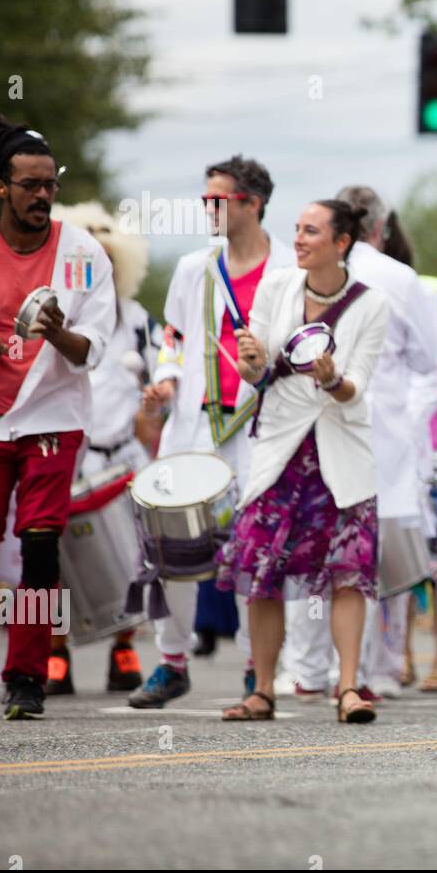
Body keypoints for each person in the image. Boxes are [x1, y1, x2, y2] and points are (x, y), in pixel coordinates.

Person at [215, 199, 388, 723]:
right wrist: (250, 362)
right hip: (280, 448)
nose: (299, 238)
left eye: (311, 231)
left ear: (341, 243)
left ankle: (350, 688)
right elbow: (259, 370)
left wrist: (332, 377)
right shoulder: (277, 287)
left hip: (339, 449)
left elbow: (356, 389)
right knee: (263, 568)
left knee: (348, 571)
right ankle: (262, 689)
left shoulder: (371, 303)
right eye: (296, 229)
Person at [0, 111, 116, 719]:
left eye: (50, 184)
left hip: (52, 422)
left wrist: (58, 334)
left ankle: (26, 677)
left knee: (40, 546)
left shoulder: (80, 254)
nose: (42, 195)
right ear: (3, 186)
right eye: (29, 185)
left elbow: (93, 348)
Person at [130, 156, 294, 708]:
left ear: (252, 203)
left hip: (261, 428)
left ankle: (257, 669)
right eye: (205, 199)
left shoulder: (290, 269)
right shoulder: (193, 268)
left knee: (255, 551)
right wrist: (166, 379)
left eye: (217, 200)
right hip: (194, 424)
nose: (206, 209)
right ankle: (172, 662)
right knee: (171, 546)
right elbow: (172, 336)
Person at [278, 185, 437, 704]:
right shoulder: (401, 278)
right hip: (375, 439)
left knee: (310, 552)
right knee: (366, 560)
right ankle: (370, 672)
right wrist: (403, 424)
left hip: (328, 435)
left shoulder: (302, 279)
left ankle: (310, 670)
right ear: (380, 227)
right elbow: (431, 366)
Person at [44, 202, 159, 696]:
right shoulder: (56, 316)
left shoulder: (138, 322)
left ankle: (124, 647)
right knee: (52, 556)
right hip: (69, 452)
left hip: (124, 457)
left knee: (135, 557)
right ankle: (56, 650)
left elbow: (161, 383)